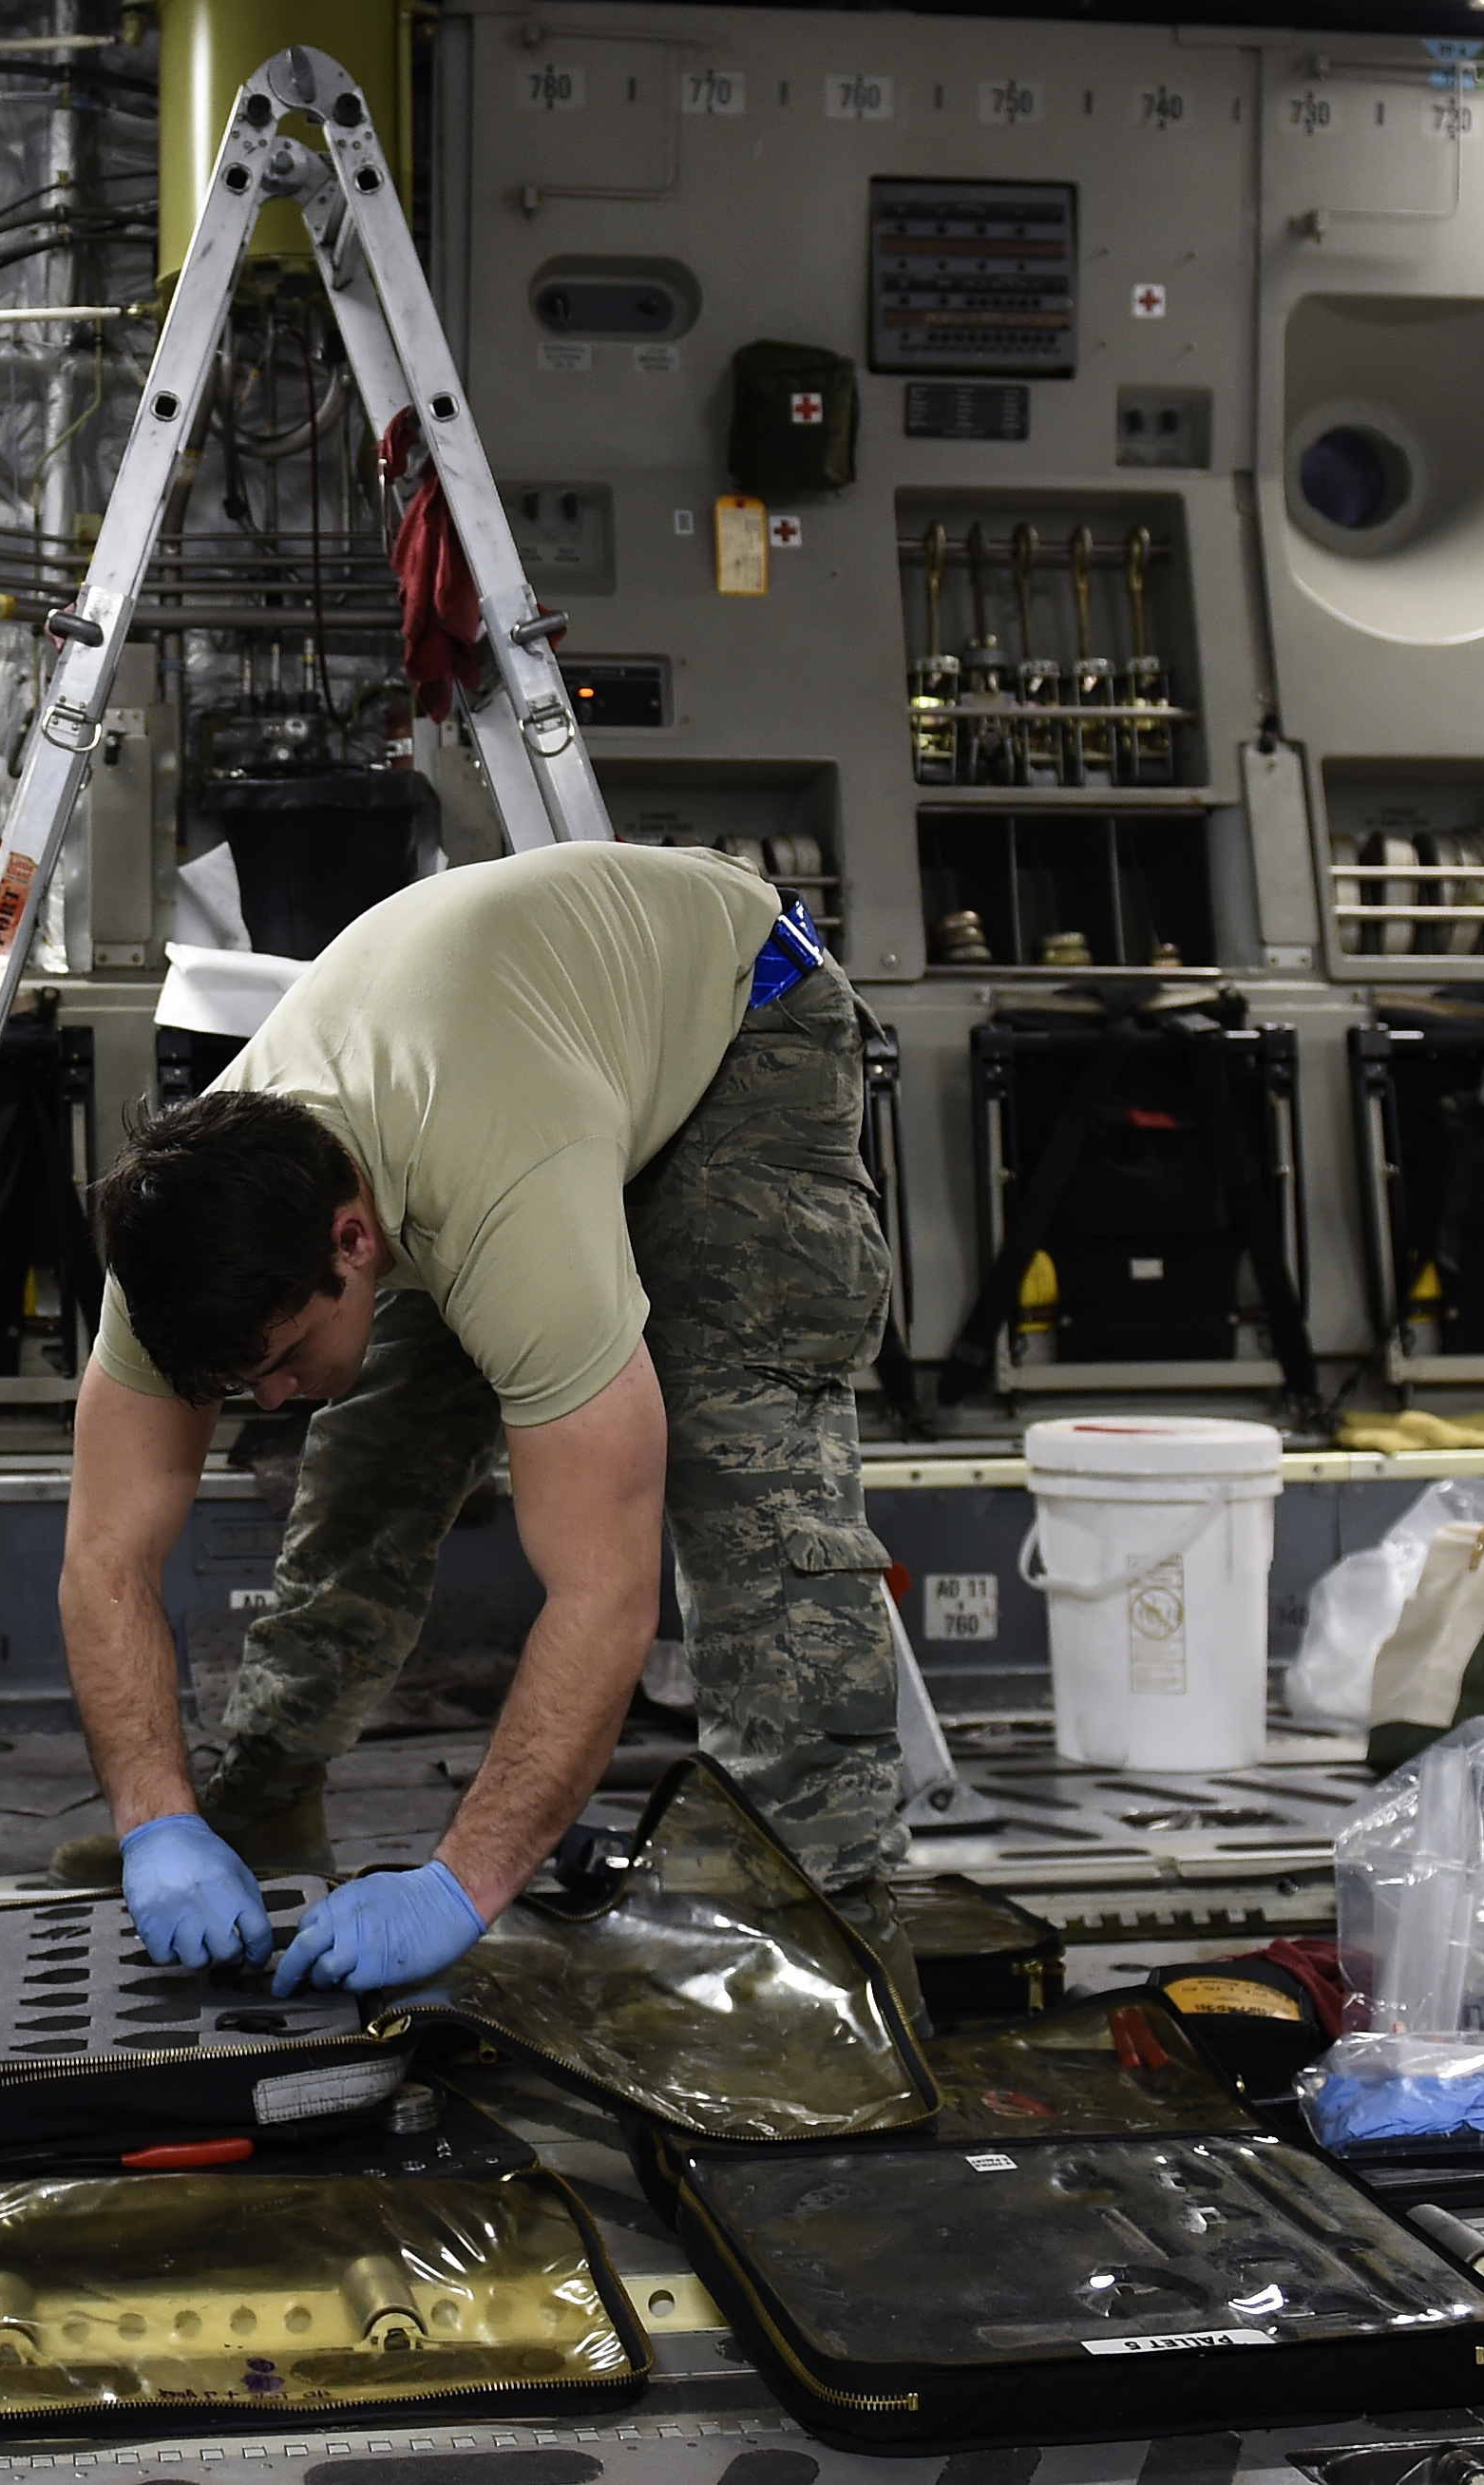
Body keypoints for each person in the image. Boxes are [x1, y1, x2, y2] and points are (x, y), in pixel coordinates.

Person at [55, 839, 914, 2002]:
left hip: (735, 1028)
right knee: (366, 1466)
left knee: (743, 1476)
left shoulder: (507, 1197)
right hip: (499, 1068)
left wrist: (463, 1882)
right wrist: (154, 1817)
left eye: (278, 1362)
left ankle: (829, 1942)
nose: (265, 1405)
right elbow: (106, 1554)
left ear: (355, 1243)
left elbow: (603, 1590)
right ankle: (258, 1802)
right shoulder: (182, 1225)